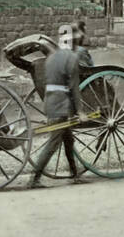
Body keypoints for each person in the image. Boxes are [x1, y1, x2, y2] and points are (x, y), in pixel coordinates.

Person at [29, 24, 84, 188]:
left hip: (50, 102)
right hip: (61, 104)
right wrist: (80, 111)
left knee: (68, 140)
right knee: (53, 143)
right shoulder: (72, 58)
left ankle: (74, 174)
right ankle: (34, 179)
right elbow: (74, 87)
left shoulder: (51, 58)